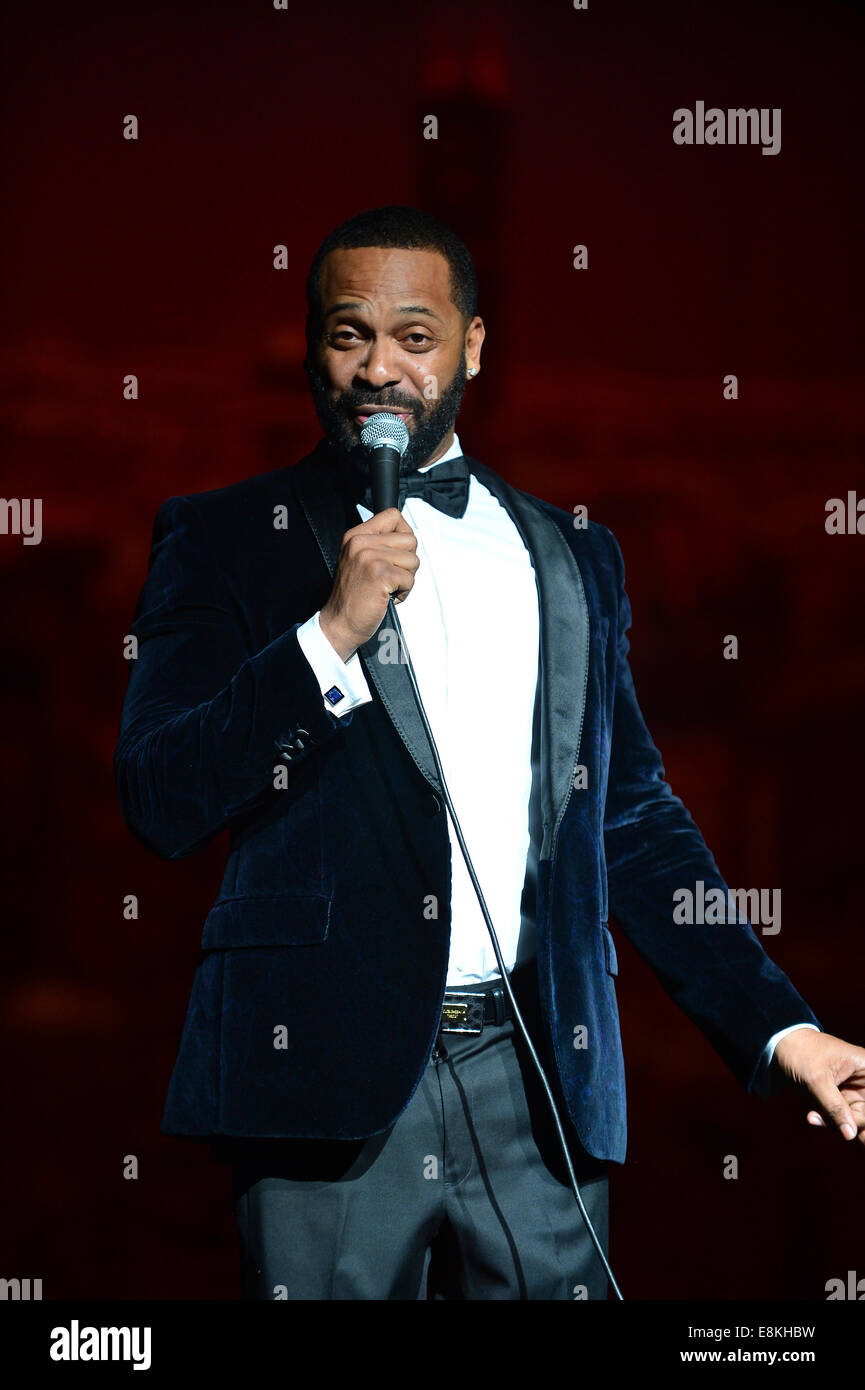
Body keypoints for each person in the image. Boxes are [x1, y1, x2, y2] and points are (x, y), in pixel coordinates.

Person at [115, 205, 865, 1301]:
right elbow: (158, 792)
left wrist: (779, 1027)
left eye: (414, 337)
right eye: (346, 334)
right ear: (314, 348)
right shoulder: (225, 535)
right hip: (323, 1084)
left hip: (538, 1079)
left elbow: (632, 820)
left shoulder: (570, 552)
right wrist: (327, 636)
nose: (379, 368)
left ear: (472, 345)